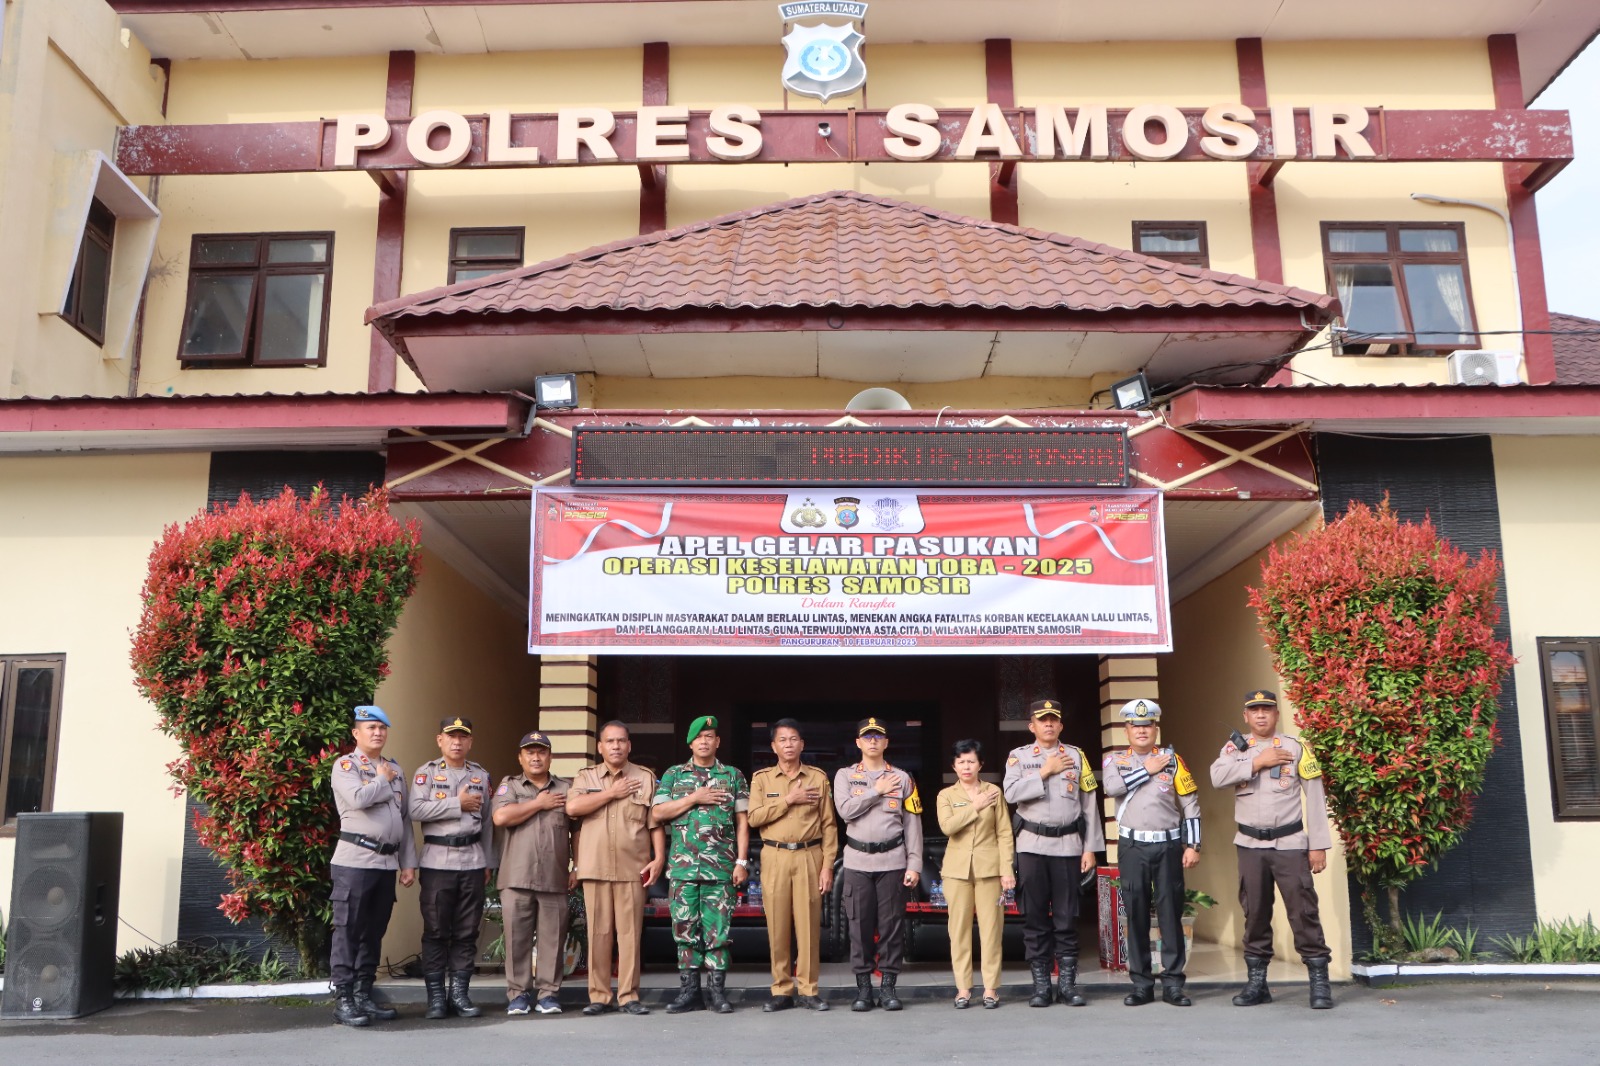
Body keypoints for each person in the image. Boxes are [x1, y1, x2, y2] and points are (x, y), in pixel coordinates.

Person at [1209, 689, 1335, 1010]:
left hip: (1290, 844)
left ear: (1277, 714)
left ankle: (1319, 982)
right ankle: (1257, 984)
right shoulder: (1235, 750)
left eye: (1267, 709)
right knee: (1255, 912)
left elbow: (1316, 798)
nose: (1261, 715)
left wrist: (1317, 845)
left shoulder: (1296, 748)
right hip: (1250, 845)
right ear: (1246, 717)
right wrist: (1256, 762)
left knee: (1303, 910)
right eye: (1255, 710)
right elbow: (1216, 776)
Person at [1002, 697, 1104, 1008]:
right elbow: (1010, 794)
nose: (1048, 724)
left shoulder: (1077, 756)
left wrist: (1091, 848)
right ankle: (1042, 986)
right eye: (1042, 720)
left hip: (1069, 847)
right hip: (1032, 846)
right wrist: (1043, 772)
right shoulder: (1018, 758)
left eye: (1053, 719)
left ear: (1060, 724)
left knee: (1066, 917)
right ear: (1032, 726)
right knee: (1034, 918)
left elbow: (1089, 803)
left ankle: (1069, 985)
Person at [1102, 699, 1201, 1007]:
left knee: (1170, 913)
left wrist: (1193, 844)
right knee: (1136, 914)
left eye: (1147, 725)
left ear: (1156, 729)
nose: (1142, 731)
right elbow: (1112, 788)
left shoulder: (1174, 761)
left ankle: (1173, 984)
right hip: (1132, 846)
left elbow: (1190, 804)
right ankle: (1142, 984)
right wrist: (1147, 769)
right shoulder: (1114, 760)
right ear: (1126, 730)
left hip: (1168, 845)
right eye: (1135, 726)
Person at [651, 715, 751, 1015]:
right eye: (699, 737)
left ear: (717, 742)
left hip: (720, 869)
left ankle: (717, 993)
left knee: (718, 932)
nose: (705, 741)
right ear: (690, 743)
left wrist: (742, 862)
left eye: (710, 736)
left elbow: (742, 823)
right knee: (684, 930)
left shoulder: (733, 775)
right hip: (683, 870)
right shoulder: (673, 775)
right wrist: (695, 797)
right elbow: (658, 814)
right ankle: (689, 992)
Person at [565, 720, 666, 1016]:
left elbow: (655, 822)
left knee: (630, 934)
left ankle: (628, 995)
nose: (616, 746)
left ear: (629, 745)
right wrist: (612, 793)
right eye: (610, 741)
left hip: (632, 868)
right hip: (595, 867)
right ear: (600, 747)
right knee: (599, 933)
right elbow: (572, 809)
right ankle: (599, 995)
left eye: (621, 741)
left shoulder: (646, 777)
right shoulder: (586, 777)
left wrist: (659, 858)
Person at [329, 705, 418, 1027]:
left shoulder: (395, 768)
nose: (377, 733)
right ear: (356, 733)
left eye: (382, 728)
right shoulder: (346, 765)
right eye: (370, 728)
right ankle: (344, 998)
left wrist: (408, 862)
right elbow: (356, 799)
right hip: (354, 860)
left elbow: (404, 819)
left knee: (373, 932)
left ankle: (365, 994)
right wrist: (381, 780)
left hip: (385, 863)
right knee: (348, 930)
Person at [747, 718, 839, 1013]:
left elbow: (829, 826)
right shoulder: (762, 779)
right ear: (774, 746)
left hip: (808, 855)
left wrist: (827, 867)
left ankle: (809, 989)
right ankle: (781, 990)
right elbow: (754, 818)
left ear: (802, 744)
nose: (789, 744)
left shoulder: (818, 778)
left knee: (809, 926)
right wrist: (789, 799)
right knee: (777, 926)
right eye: (783, 740)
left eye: (794, 739)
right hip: (774, 856)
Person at [833, 716, 924, 1012]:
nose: (873, 741)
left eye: (878, 737)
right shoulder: (845, 776)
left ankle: (888, 988)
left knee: (891, 927)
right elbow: (845, 811)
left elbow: (913, 825)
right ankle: (863, 991)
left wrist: (914, 864)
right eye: (867, 737)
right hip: (858, 862)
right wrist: (877, 791)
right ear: (858, 743)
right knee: (859, 926)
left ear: (886, 742)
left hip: (893, 861)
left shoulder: (903, 778)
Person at [409, 715, 495, 1020]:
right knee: (435, 931)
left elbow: (486, 823)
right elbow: (415, 809)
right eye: (451, 736)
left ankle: (459, 994)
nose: (457, 742)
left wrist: (488, 861)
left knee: (466, 931)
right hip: (437, 861)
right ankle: (435, 998)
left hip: (472, 860)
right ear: (440, 740)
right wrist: (455, 804)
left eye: (463, 737)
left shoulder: (481, 776)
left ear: (470, 741)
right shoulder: (427, 773)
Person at [491, 731, 574, 1016]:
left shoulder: (566, 787)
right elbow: (501, 817)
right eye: (530, 752)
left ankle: (549, 994)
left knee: (553, 938)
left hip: (554, 876)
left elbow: (580, 830)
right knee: (517, 938)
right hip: (516, 876)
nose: (536, 757)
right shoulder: (510, 785)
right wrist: (539, 803)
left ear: (550, 756)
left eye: (541, 752)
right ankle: (519, 994)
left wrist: (580, 867)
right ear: (520, 757)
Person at [936, 739, 1015, 1010]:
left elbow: (1004, 833)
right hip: (956, 873)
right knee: (958, 931)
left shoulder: (994, 792)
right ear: (954, 766)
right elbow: (948, 827)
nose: (966, 766)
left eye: (971, 761)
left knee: (992, 930)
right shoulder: (946, 796)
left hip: (990, 871)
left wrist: (1007, 870)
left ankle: (991, 988)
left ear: (980, 764)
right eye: (961, 762)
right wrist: (975, 806)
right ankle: (963, 989)